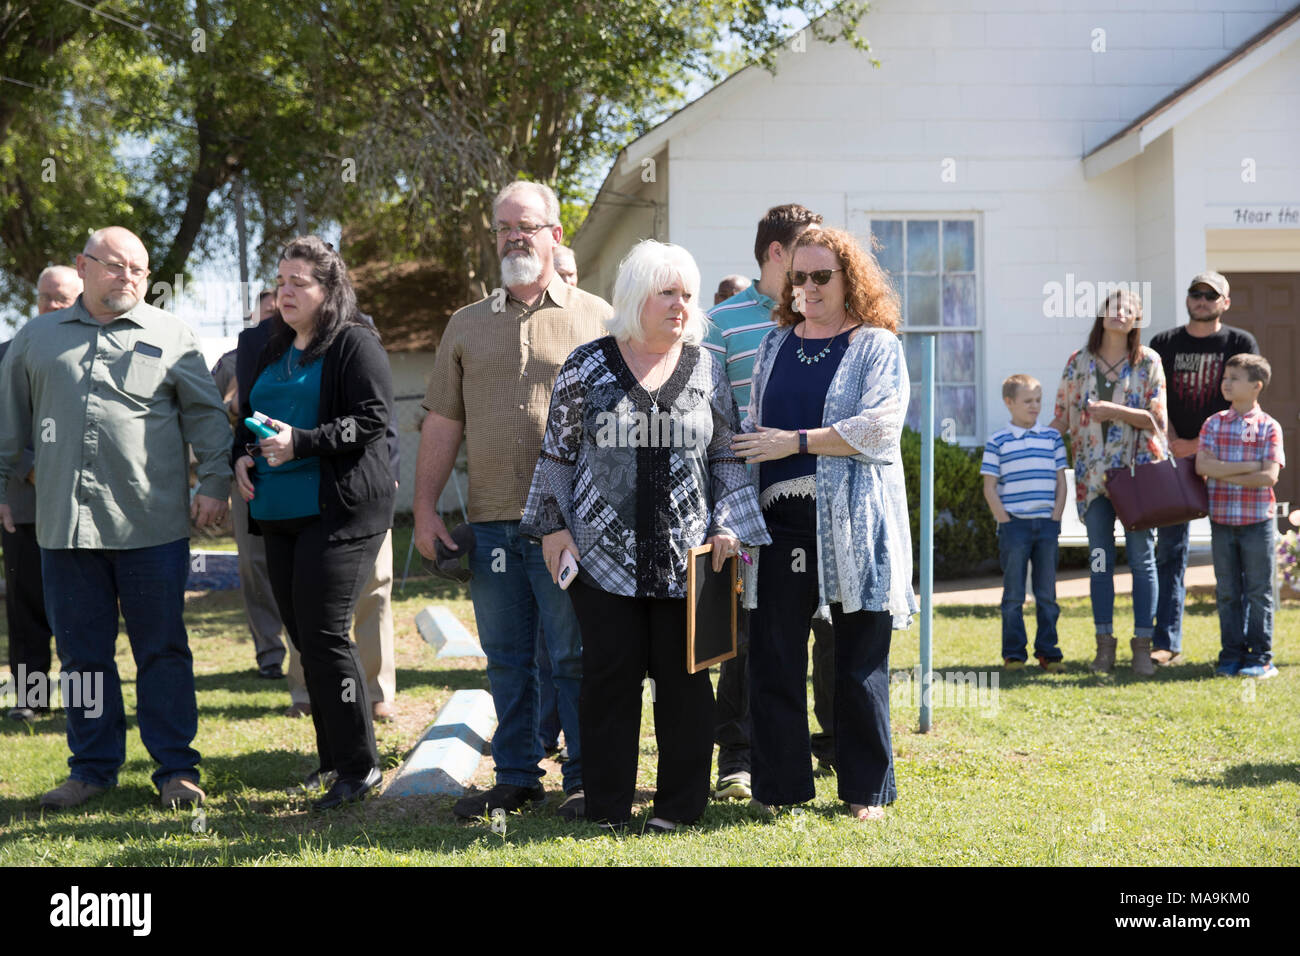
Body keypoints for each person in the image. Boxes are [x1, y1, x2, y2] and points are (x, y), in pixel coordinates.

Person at [520, 239, 770, 831]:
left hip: (688, 560)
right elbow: (558, 452)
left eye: (687, 293)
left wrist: (729, 523)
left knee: (687, 687)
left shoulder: (707, 365)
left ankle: (679, 811)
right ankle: (607, 808)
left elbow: (725, 456)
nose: (680, 304)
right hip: (601, 560)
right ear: (637, 297)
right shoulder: (585, 365)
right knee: (610, 682)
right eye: (667, 293)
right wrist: (553, 527)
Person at [0, 227, 231, 810]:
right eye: (115, 265)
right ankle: (92, 770)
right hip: (63, 529)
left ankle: (176, 770)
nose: (128, 277)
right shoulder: (35, 339)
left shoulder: (172, 334)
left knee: (162, 650)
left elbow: (206, 417)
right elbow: (9, 428)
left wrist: (216, 482)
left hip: (151, 528)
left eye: (139, 268)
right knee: (82, 656)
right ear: (83, 266)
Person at [415, 180, 610, 821]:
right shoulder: (466, 325)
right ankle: (519, 776)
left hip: (572, 525)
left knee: (574, 654)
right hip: (493, 522)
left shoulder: (599, 318)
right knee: (505, 657)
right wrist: (424, 509)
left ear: (556, 234)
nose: (514, 237)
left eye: (526, 226)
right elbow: (442, 422)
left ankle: (584, 777)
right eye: (503, 227)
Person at [734, 227, 916, 823]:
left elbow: (881, 430)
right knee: (774, 656)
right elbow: (751, 432)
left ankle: (865, 792)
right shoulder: (773, 345)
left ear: (849, 280)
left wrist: (798, 441)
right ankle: (780, 787)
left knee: (858, 659)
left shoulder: (876, 347)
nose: (808, 288)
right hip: (778, 523)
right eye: (799, 277)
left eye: (821, 277)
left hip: (853, 519)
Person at [232, 236, 394, 811]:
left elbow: (371, 420)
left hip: (339, 508)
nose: (285, 291)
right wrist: (242, 457)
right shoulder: (267, 345)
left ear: (329, 291)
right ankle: (332, 760)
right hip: (276, 513)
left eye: (299, 282)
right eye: (281, 282)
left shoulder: (354, 342)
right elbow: (246, 419)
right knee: (303, 636)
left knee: (324, 635)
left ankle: (360, 767)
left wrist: (299, 442)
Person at [703, 203, 831, 802]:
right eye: (804, 256)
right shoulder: (720, 325)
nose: (815, 271)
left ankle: (830, 750)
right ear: (776, 254)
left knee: (831, 629)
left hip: (821, 505)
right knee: (749, 639)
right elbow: (705, 417)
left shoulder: (831, 318)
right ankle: (740, 758)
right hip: (747, 509)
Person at [1049, 289, 1167, 676]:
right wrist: (1023, 444)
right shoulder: (1077, 363)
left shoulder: (1148, 361)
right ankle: (1104, 647)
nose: (1121, 314)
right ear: (1101, 315)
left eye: (1129, 310)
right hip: (1091, 480)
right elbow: (1061, 421)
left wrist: (1114, 410)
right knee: (1099, 564)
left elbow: (1157, 422)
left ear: (1137, 320)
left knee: (1142, 562)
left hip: (1137, 478)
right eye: (1114, 307)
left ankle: (1142, 648)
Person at [1148, 272, 1259, 666]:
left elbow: (1244, 397)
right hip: (1175, 464)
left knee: (1231, 557)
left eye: (1211, 295)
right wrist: (1175, 442)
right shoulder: (1163, 343)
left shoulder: (1239, 343)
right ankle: (1166, 642)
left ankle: (1238, 648)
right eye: (1196, 293)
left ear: (1225, 302)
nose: (1201, 299)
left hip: (1224, 463)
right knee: (1170, 553)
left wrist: (1198, 445)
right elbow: (1152, 398)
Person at [2, 266, 82, 721]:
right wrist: (34, 470)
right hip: (26, 503)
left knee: (77, 607)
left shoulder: (94, 350)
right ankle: (31, 699)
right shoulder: (8, 353)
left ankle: (83, 697)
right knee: (27, 605)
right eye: (46, 297)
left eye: (63, 298)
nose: (53, 306)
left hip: (81, 507)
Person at [213, 290, 288, 681]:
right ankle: (269, 654)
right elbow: (209, 417)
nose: (271, 320)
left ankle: (304, 649)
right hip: (249, 473)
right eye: (264, 314)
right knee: (254, 565)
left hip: (299, 467)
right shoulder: (229, 363)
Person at [1196, 354, 1284, 680]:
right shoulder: (1213, 423)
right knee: (1228, 591)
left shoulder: (1269, 427)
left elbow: (1269, 477)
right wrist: (1249, 467)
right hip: (1221, 521)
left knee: (1259, 591)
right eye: (1225, 377)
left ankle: (1260, 658)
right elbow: (1202, 467)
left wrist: (1223, 471)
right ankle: (1231, 655)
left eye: (1235, 377)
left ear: (1256, 386)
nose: (1226, 382)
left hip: (1257, 522)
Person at [981, 374, 1068, 671]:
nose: (1035, 406)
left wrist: (1055, 516)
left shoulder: (1052, 439)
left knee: (1047, 594)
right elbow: (989, 487)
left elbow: (1061, 483)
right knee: (1014, 594)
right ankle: (1014, 654)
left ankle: (1049, 652)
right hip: (1014, 526)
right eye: (1027, 401)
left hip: (1046, 525)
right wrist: (1005, 521)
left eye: (1038, 401)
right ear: (1009, 402)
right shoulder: (997, 441)